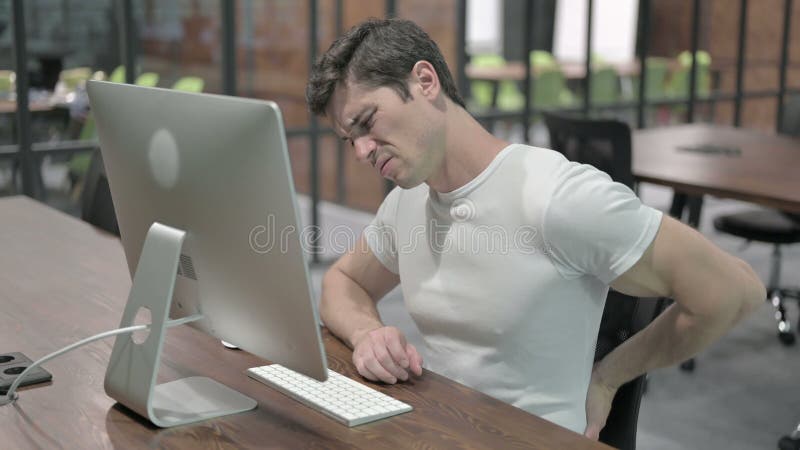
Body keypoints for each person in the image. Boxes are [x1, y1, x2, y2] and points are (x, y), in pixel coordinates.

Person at [305, 18, 765, 438]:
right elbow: (343, 282)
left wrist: (609, 378)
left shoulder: (557, 197)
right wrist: (367, 333)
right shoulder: (407, 203)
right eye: (350, 140)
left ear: (425, 81)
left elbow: (734, 291)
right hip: (443, 430)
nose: (362, 151)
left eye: (367, 122)